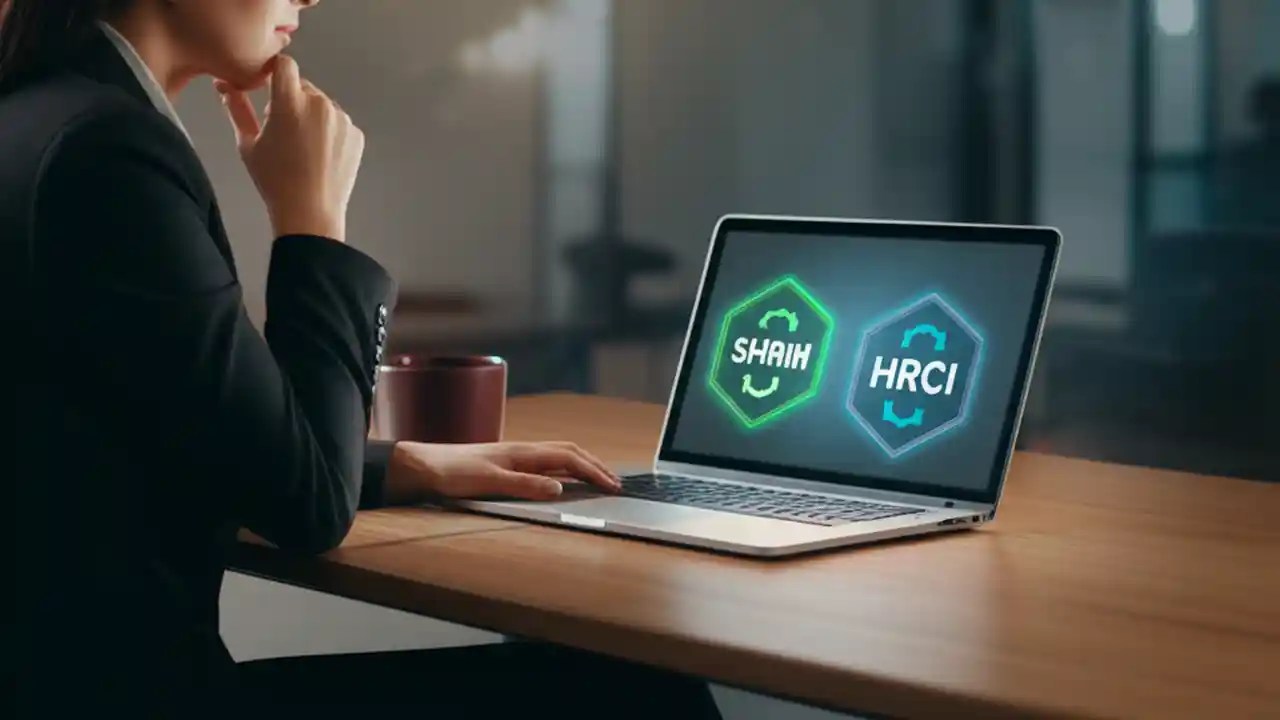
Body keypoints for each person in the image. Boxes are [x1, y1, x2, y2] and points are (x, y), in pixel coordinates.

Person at [0, 1, 721, 717]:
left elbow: (172, 427)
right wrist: (312, 220)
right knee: (642, 696)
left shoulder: (43, 116)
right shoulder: (105, 153)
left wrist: (400, 463)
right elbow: (304, 508)